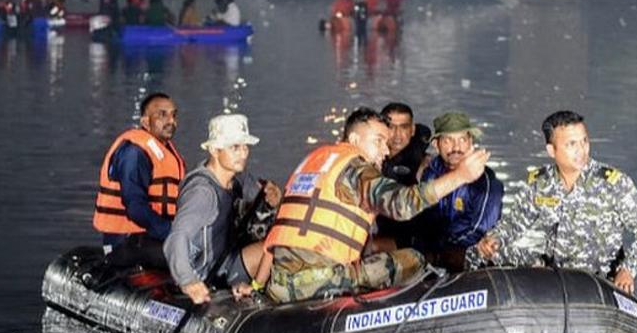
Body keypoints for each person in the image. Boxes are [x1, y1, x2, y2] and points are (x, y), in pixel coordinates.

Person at [263, 107, 489, 303]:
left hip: (281, 284)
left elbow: (278, 235)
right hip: (318, 283)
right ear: (354, 140)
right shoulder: (356, 169)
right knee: (414, 259)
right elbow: (401, 204)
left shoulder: (312, 164)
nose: (386, 150)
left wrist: (257, 285)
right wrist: (460, 176)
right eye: (378, 141)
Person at [472, 111, 637, 294]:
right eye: (571, 144)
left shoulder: (614, 184)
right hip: (556, 274)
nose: (581, 150)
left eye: (584, 141)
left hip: (599, 280)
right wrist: (494, 240)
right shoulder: (541, 183)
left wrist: (628, 269)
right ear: (551, 150)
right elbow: (514, 224)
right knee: (479, 252)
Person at [165, 114, 283, 305]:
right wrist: (187, 281)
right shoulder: (202, 193)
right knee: (274, 250)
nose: (243, 154)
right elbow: (177, 237)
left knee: (277, 240)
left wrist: (273, 195)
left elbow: (261, 192)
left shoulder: (237, 178)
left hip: (227, 259)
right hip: (207, 275)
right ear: (214, 150)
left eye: (245, 147)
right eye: (235, 147)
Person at [93, 93, 185, 269]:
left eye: (174, 115)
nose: (171, 121)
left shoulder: (166, 151)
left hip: (150, 236)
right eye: (162, 115)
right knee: (193, 258)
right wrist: (171, 232)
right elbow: (135, 207)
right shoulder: (134, 153)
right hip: (127, 240)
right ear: (145, 121)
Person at [413, 112, 503, 272]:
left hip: (468, 258)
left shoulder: (485, 181)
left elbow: (479, 230)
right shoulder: (430, 173)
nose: (456, 147)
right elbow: (423, 219)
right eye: (448, 140)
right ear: (436, 144)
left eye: (462, 140)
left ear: (470, 142)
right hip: (429, 253)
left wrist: (441, 251)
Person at [380, 102, 430, 185]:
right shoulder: (369, 157)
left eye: (404, 127)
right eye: (391, 127)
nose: (397, 134)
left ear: (412, 130)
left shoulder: (425, 164)